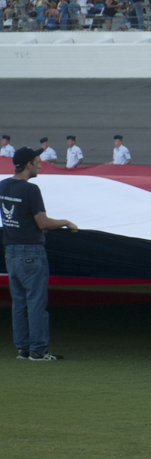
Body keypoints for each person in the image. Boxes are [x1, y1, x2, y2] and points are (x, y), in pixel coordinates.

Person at [3, 147, 77, 361]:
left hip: (11, 251)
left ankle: (23, 348)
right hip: (31, 253)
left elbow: (16, 218)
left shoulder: (3, 186)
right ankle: (39, 350)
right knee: (36, 303)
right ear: (28, 165)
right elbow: (42, 222)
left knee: (19, 302)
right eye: (37, 161)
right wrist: (65, 222)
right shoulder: (31, 190)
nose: (40, 164)